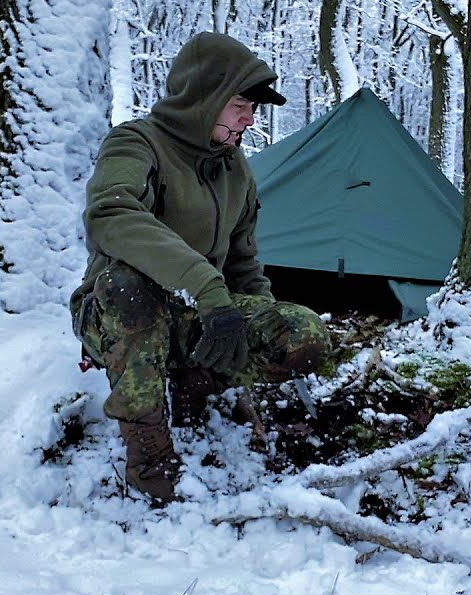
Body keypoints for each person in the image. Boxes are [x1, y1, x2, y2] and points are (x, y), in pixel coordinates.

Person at [70, 32, 332, 507]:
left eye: (253, 108)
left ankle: (197, 386)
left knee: (303, 334)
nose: (250, 118)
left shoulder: (235, 167)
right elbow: (112, 213)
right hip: (115, 315)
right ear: (203, 100)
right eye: (240, 105)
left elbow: (243, 261)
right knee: (129, 289)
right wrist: (205, 285)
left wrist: (253, 325)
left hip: (198, 316)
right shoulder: (136, 142)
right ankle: (149, 455)